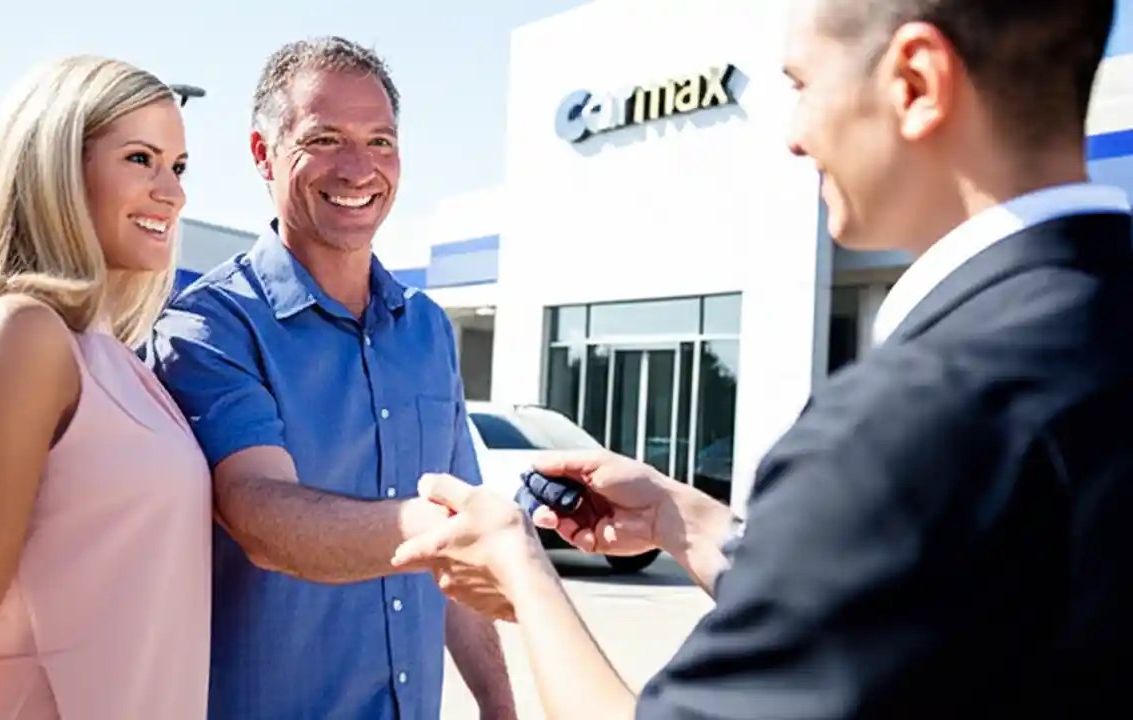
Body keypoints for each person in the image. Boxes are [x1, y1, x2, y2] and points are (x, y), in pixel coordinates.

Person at [391, 0, 1133, 717]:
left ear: (915, 81)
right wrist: (687, 521)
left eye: (802, 85)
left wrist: (521, 570)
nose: (793, 137)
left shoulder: (904, 425)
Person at [147, 36, 515, 719]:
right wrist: (456, 534)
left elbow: (457, 569)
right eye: (326, 139)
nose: (358, 169)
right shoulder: (208, 328)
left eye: (380, 141)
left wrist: (499, 705)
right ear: (264, 153)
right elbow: (262, 517)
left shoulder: (428, 329)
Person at [0, 56, 210, 720]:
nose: (172, 193)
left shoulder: (112, 357)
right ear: (58, 166)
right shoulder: (19, 336)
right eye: (141, 158)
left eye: (177, 168)